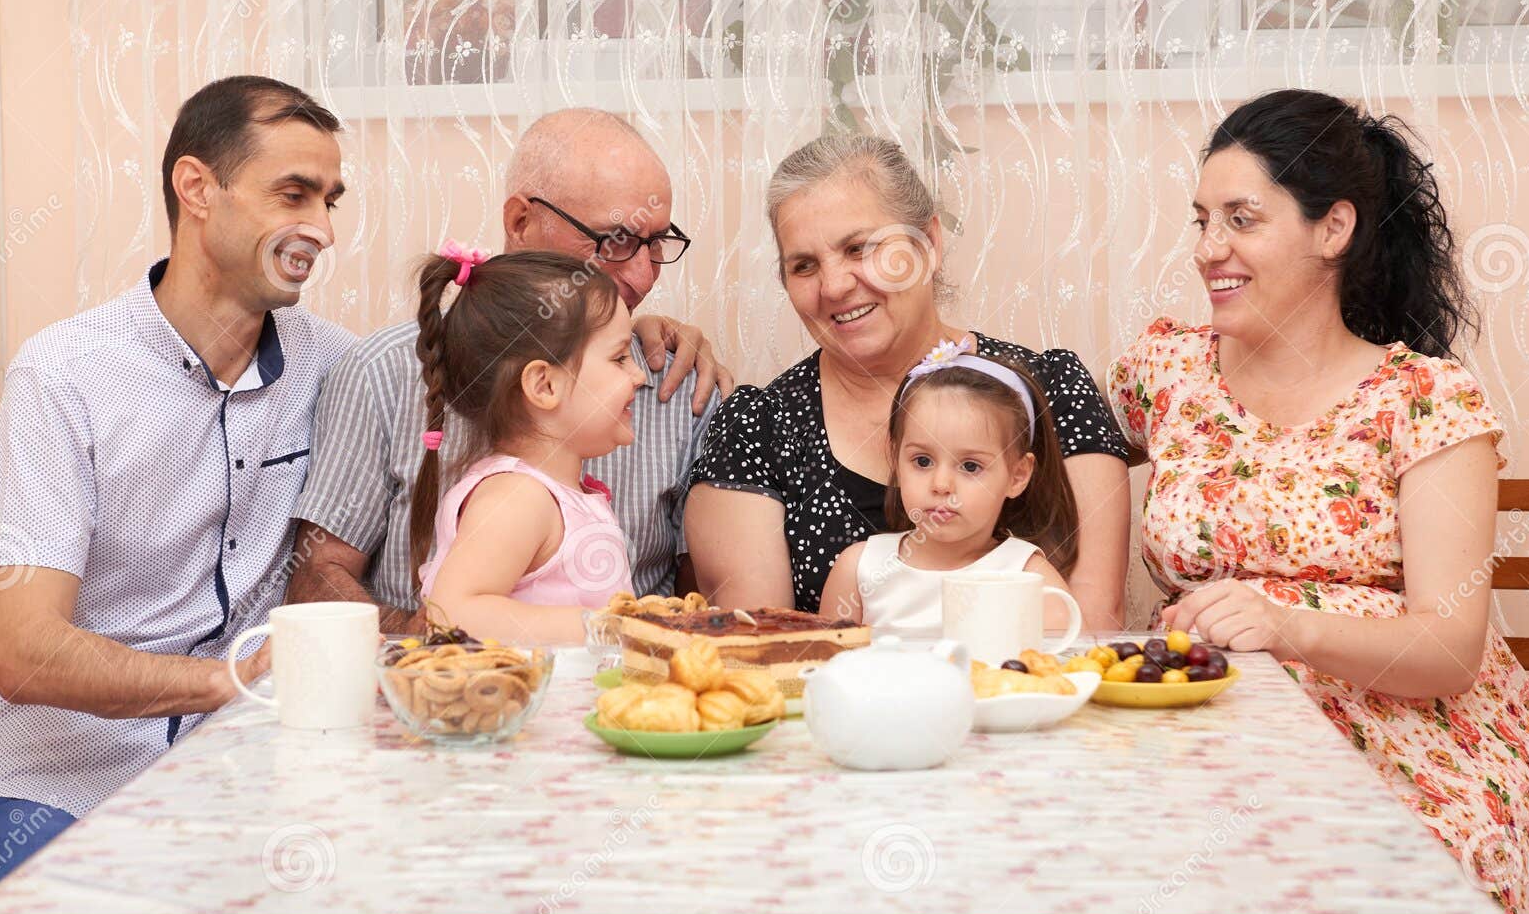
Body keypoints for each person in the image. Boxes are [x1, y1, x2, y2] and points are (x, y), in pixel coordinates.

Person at [1109, 88, 1529, 914]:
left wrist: (1286, 627)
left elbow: (1451, 649)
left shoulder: (1422, 399)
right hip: (1212, 723)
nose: (1210, 249)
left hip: (1406, 737)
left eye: (1242, 219)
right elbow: (1055, 468)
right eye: (1201, 220)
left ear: (1333, 230)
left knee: (1399, 889)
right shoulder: (1164, 372)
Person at [0, 76, 354, 902]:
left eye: (329, 200)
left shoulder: (338, 369)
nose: (319, 228)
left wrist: (636, 326)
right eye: (293, 193)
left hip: (254, 782)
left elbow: (500, 384)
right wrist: (229, 681)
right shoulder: (64, 375)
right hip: (63, 784)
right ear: (196, 187)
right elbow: (27, 654)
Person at [288, 110, 729, 632]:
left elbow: (701, 595)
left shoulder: (676, 382)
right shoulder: (380, 373)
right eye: (615, 240)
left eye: (657, 243)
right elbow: (319, 578)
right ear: (520, 221)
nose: (640, 275)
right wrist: (440, 649)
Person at [685, 134, 1130, 625]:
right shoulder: (758, 428)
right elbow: (763, 648)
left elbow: (1091, 629)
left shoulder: (1045, 391)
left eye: (859, 248)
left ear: (929, 244)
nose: (833, 286)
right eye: (804, 265)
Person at [411, 249, 644, 642]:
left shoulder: (549, 493)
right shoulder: (518, 497)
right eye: (620, 358)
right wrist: (613, 629)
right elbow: (452, 614)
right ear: (544, 386)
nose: (638, 375)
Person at [819, 337, 1078, 639]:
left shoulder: (1029, 578)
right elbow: (825, 671)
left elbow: (1057, 675)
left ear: (1017, 476)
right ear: (896, 459)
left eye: (970, 466)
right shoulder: (858, 569)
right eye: (923, 461)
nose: (941, 485)